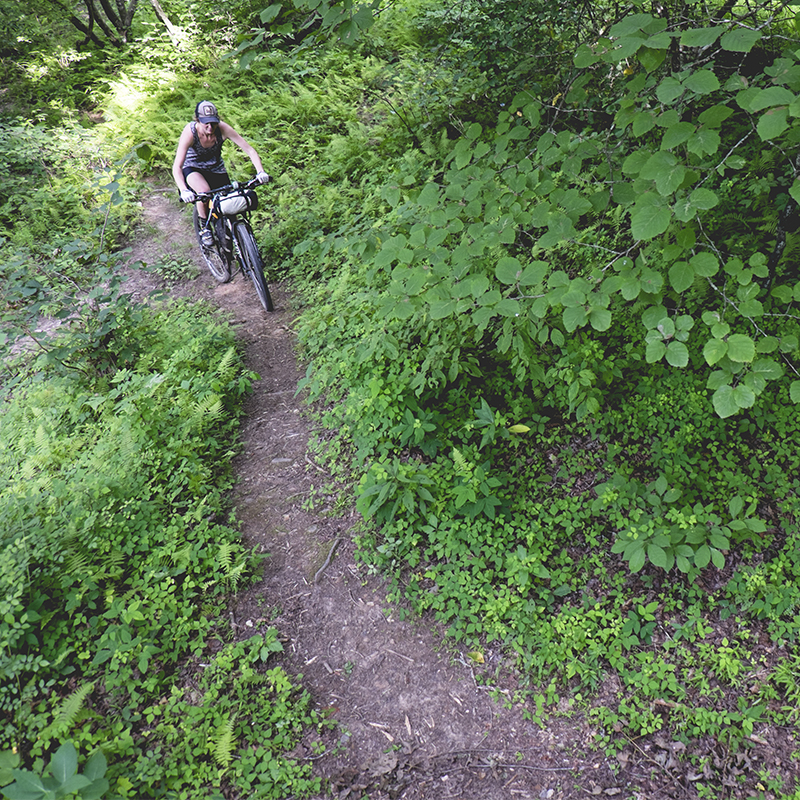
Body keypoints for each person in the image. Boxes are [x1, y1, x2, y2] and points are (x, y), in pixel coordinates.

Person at [172, 100, 269, 246]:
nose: (210, 127)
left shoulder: (222, 129)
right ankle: (205, 227)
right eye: (206, 123)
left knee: (230, 205)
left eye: (213, 123)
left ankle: (240, 244)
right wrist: (184, 190)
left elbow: (249, 150)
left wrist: (260, 172)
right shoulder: (190, 132)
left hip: (216, 169)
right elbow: (177, 167)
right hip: (193, 168)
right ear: (197, 120)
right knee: (204, 192)